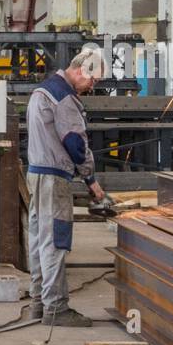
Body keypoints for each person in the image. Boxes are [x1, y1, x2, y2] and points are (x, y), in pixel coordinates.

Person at [24, 48, 112, 327]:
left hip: (36, 174)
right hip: (54, 179)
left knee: (39, 241)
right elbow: (75, 143)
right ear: (81, 70)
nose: (91, 87)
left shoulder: (42, 91)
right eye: (93, 81)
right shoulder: (64, 98)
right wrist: (90, 179)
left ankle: (39, 303)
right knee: (55, 243)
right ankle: (56, 309)